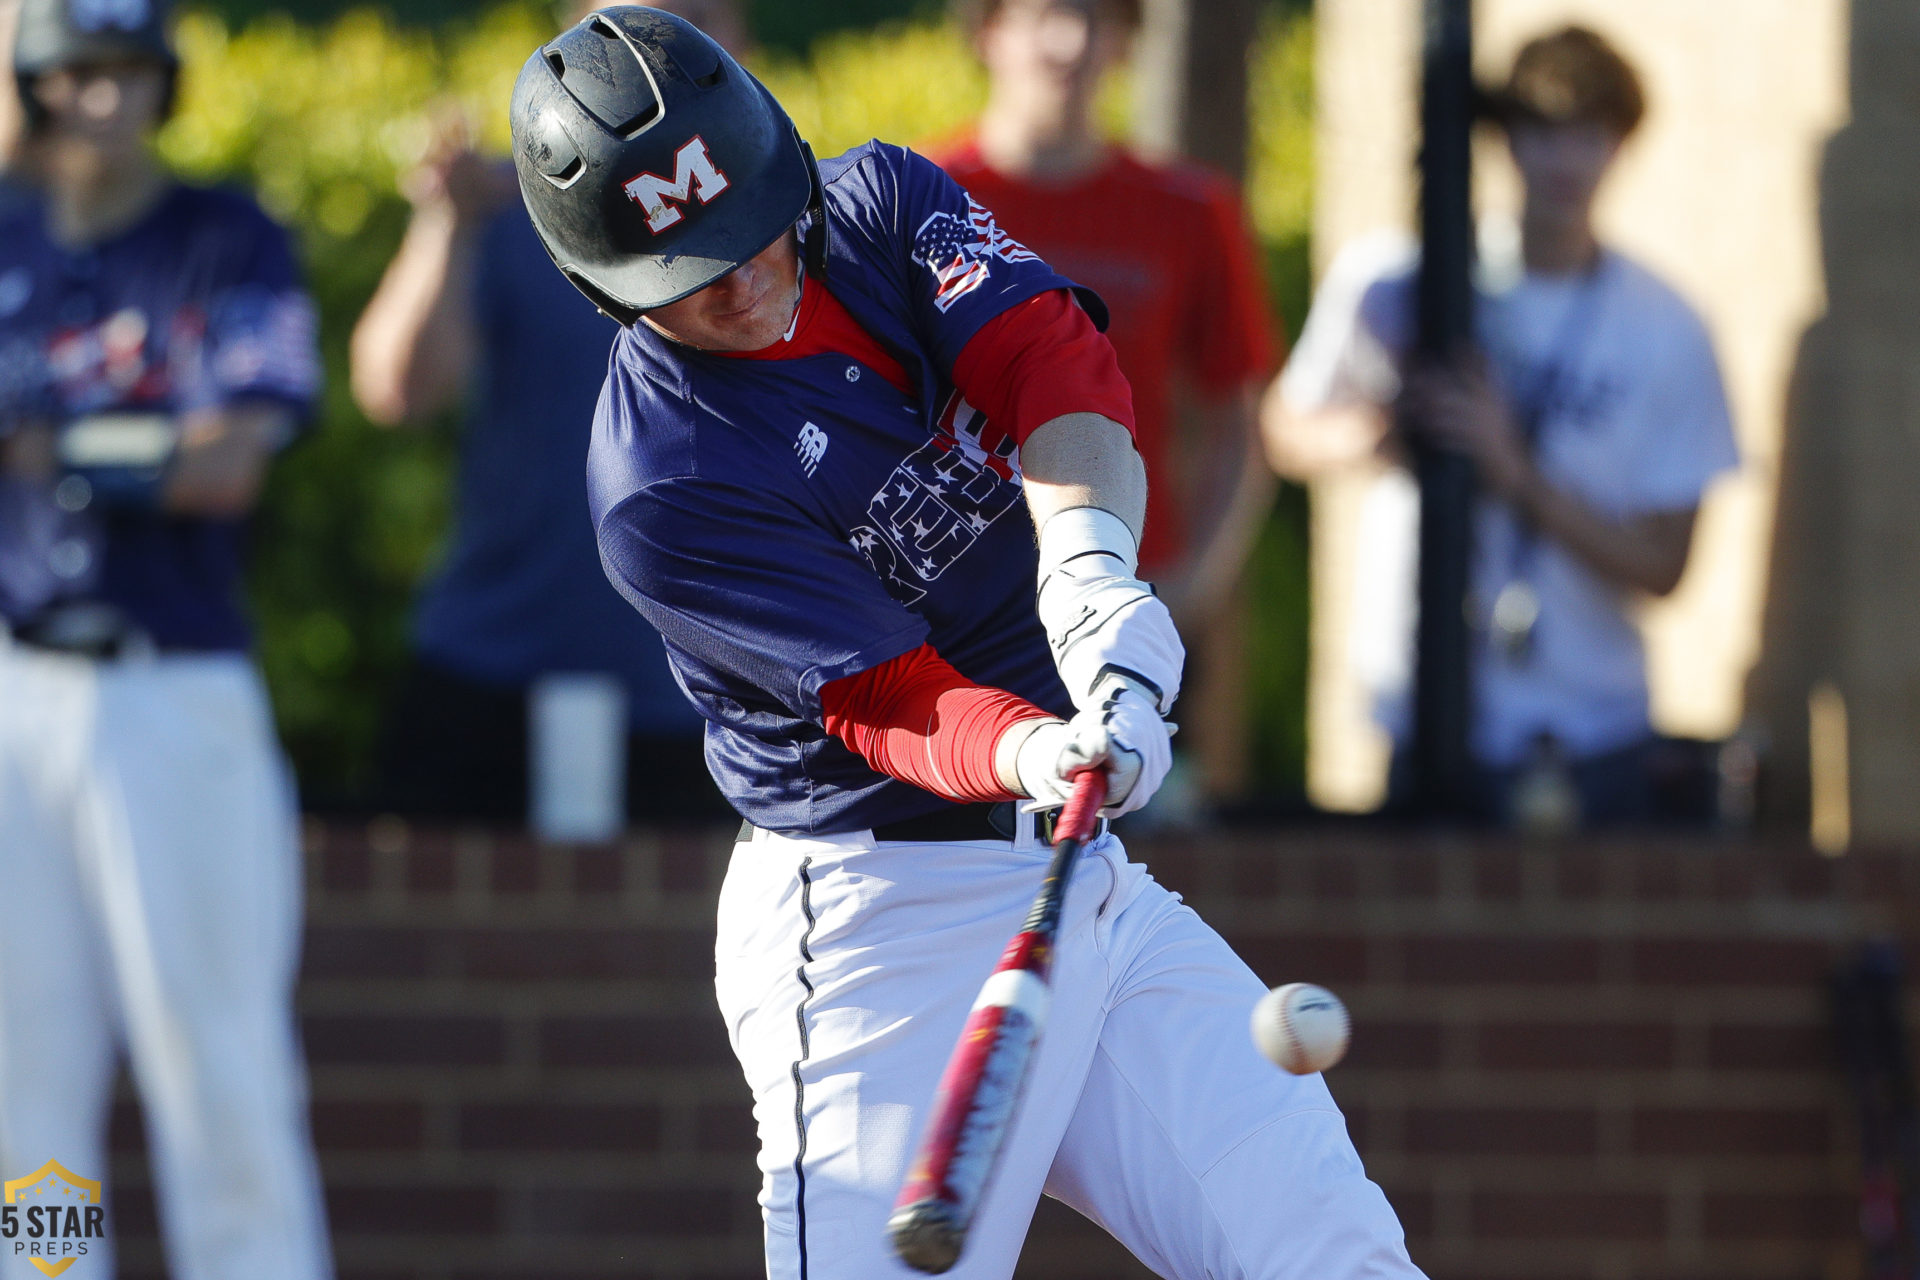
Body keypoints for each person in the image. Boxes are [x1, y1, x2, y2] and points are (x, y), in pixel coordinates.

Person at [509, 9, 1424, 1278]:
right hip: (877, 914)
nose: (745, 278)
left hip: (1074, 877)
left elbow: (1054, 367)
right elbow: (889, 699)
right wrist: (1047, 747)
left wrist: (1095, 583)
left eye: (749, 224)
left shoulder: (881, 201)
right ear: (606, 287)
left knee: (1327, 1247)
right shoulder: (661, 480)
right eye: (689, 272)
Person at [0, 0, 334, 1273]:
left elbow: (233, 458)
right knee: (25, 1089)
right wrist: (142, 446)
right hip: (17, 682)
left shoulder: (223, 235)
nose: (100, 100)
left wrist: (55, 446)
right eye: (73, 73)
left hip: (171, 691)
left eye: (126, 72)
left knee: (220, 1063)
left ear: (164, 84)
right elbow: (179, 447)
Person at [1266, 26, 1739, 828]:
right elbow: (1287, 431)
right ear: (1504, 141)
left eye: (1588, 136)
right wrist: (1389, 431)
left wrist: (1514, 473)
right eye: (1543, 134)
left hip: (1593, 729)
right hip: (1420, 708)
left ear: (1621, 145)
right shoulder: (1395, 280)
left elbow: (1666, 565)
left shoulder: (1667, 326)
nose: (1564, 164)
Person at [348, 0, 744, 825]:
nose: (656, 51)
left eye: (692, 18)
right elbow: (398, 391)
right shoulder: (507, 198)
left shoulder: (782, 200)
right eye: (628, 26)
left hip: (712, 681)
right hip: (494, 658)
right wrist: (444, 227)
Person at [927, 0, 1277, 812]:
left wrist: (1195, 582)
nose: (1074, 41)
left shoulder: (1190, 212)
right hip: (964, 631)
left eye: (1099, 17)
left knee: (1132, 881)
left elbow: (1240, 420)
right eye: (1048, 13)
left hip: (1130, 616)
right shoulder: (925, 200)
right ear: (988, 30)